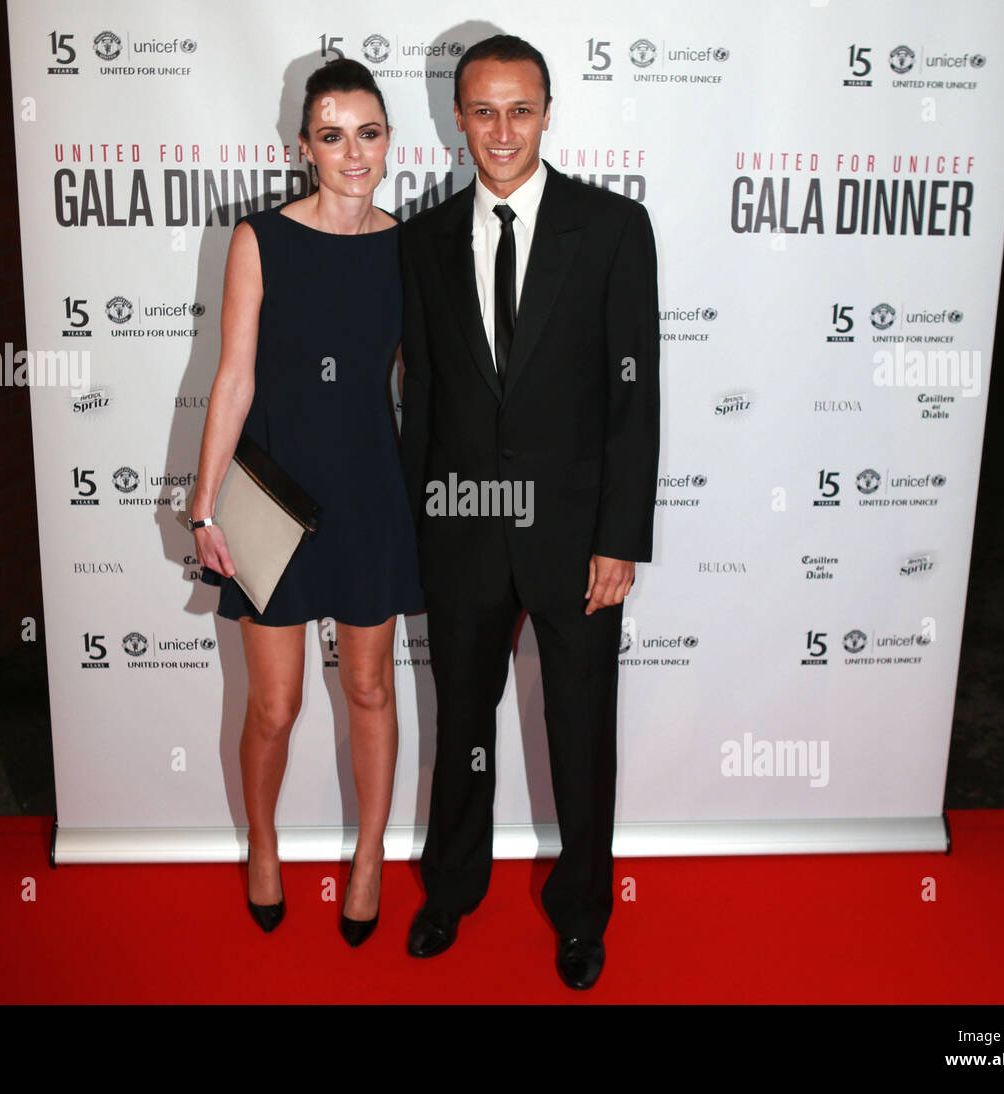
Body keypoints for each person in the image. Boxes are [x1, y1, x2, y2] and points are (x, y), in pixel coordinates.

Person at [398, 34, 660, 989]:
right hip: (462, 534)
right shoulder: (421, 242)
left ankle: (584, 910)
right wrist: (418, 530)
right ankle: (452, 888)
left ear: (548, 113)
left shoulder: (614, 228)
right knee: (461, 724)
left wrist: (620, 540)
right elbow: (422, 399)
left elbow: (637, 398)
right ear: (457, 117)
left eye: (520, 109)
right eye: (482, 110)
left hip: (578, 538)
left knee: (581, 734)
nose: (501, 131)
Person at [190, 58, 424, 947]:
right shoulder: (261, 240)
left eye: (368, 133)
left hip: (371, 495)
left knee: (368, 688)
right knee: (275, 706)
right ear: (305, 146)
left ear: (388, 141)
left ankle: (368, 860)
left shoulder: (410, 247)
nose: (352, 153)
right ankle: (262, 842)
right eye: (333, 135)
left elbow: (422, 385)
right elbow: (235, 378)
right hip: (273, 500)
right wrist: (206, 507)